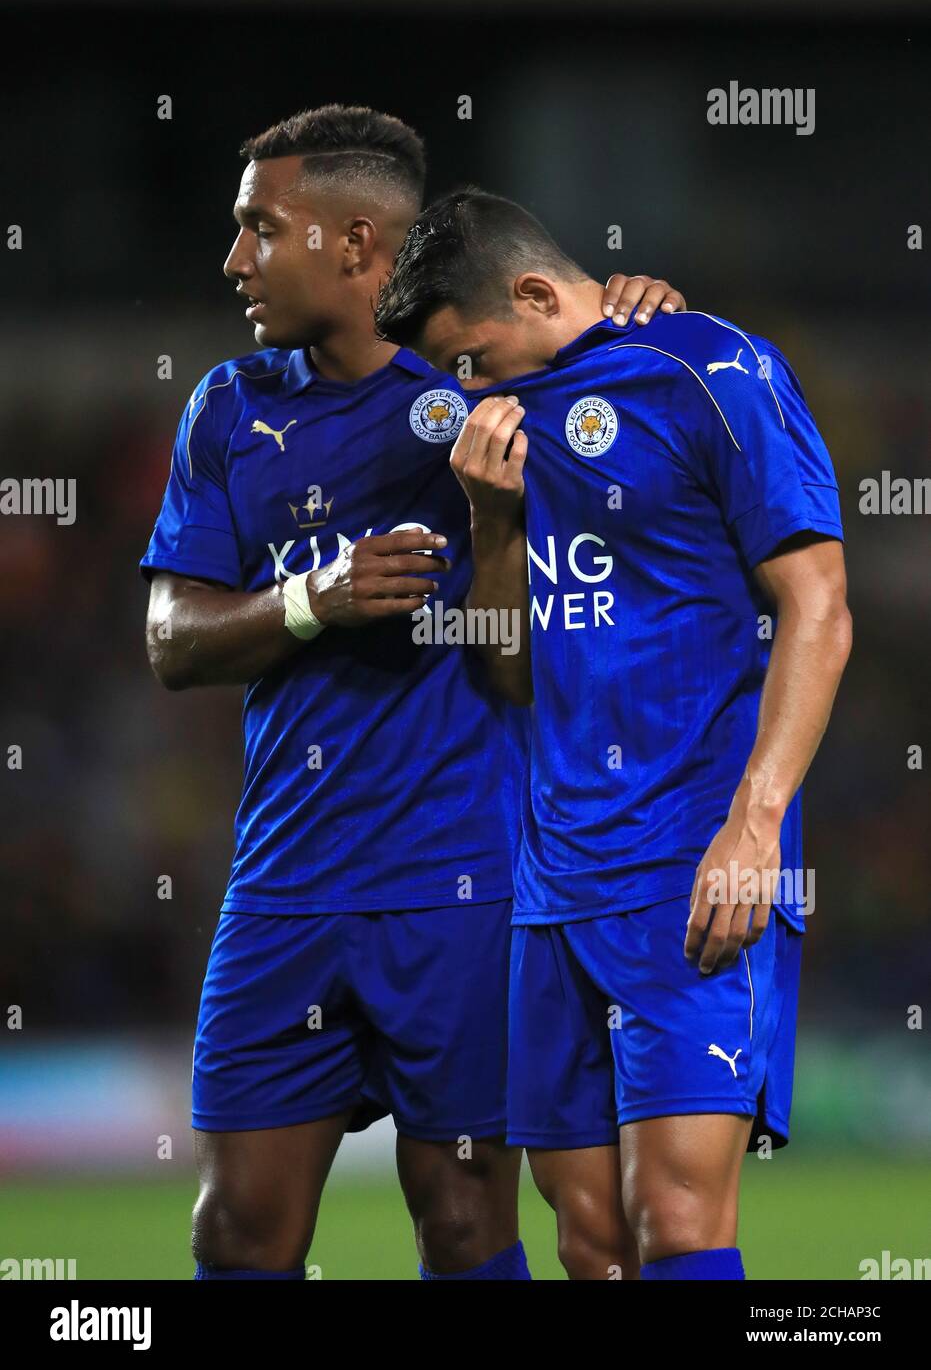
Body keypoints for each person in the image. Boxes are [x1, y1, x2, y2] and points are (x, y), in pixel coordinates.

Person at [141, 108, 686, 1281]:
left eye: (257, 229)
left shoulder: (504, 382)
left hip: (468, 888)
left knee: (464, 1219)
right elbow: (171, 639)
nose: (234, 260)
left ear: (352, 243)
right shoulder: (230, 410)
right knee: (235, 1231)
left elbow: (538, 648)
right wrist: (312, 599)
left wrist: (640, 311)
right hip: (285, 886)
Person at [374, 187, 852, 1280]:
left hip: (693, 864)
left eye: (469, 358)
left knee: (678, 1225)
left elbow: (818, 606)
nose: (463, 391)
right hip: (554, 885)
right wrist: (490, 523)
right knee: (590, 1244)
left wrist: (755, 827)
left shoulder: (707, 372)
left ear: (536, 292)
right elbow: (508, 673)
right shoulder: (498, 442)